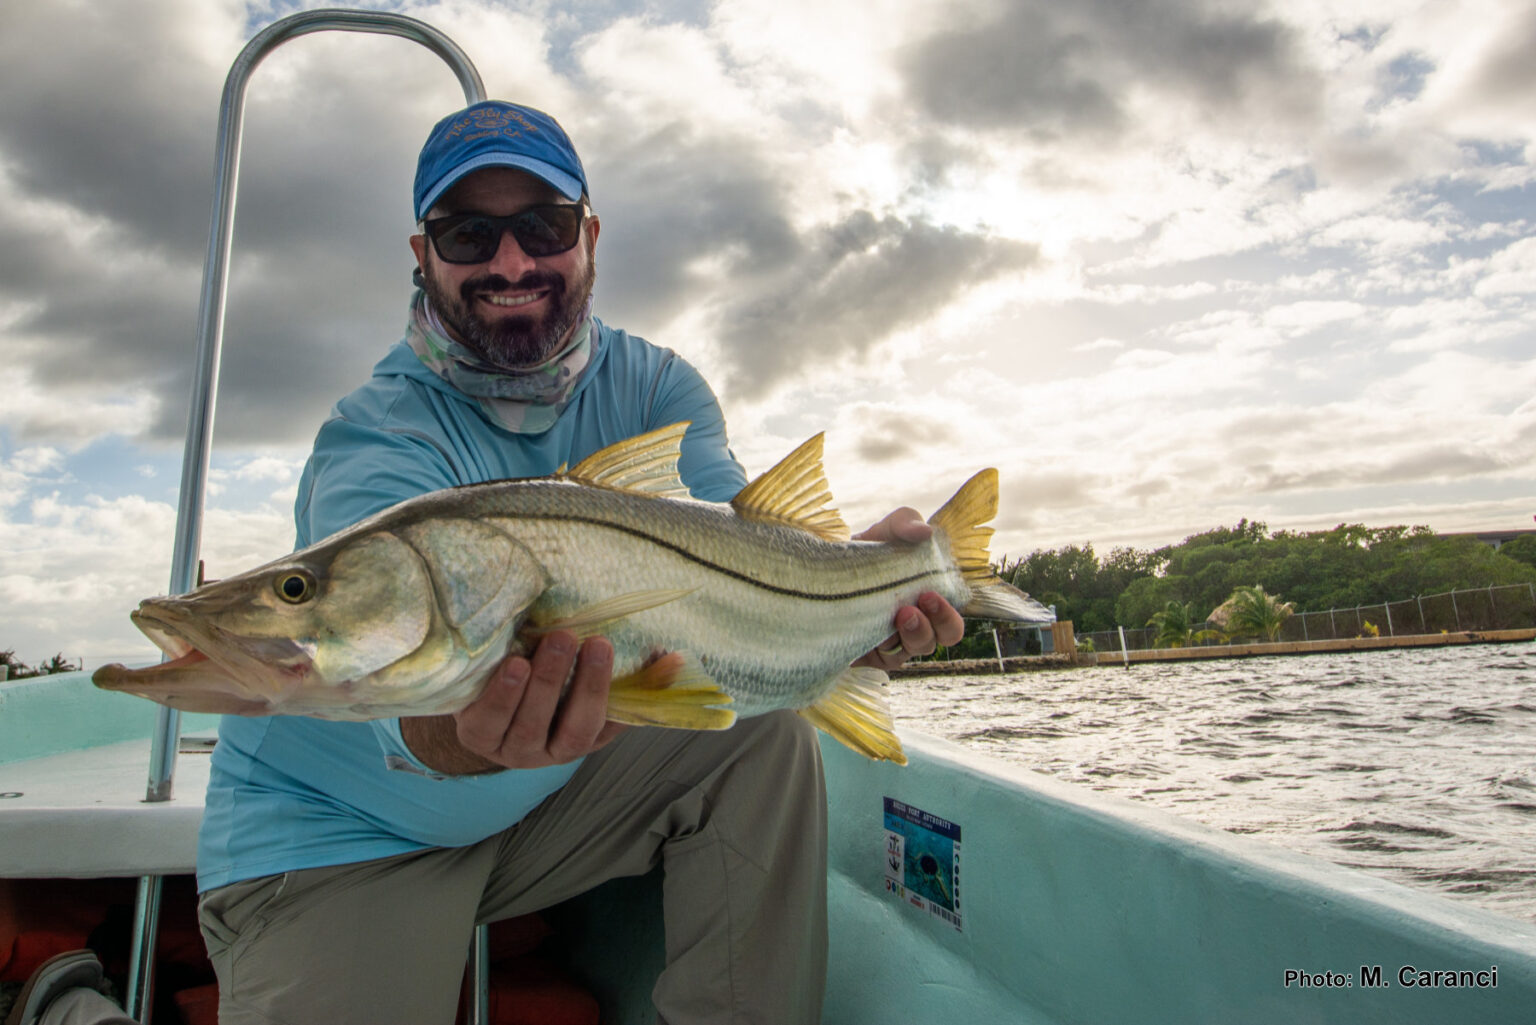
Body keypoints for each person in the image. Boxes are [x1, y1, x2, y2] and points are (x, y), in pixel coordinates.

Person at [6, 100, 963, 1025]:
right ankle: (67, 1004)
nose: (510, 261)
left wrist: (850, 613)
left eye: (543, 225)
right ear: (422, 256)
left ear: (590, 235)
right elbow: (416, 720)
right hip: (347, 836)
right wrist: (467, 734)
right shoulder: (376, 435)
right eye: (467, 234)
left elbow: (752, 564)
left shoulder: (658, 385)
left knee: (764, 733)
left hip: (551, 802)